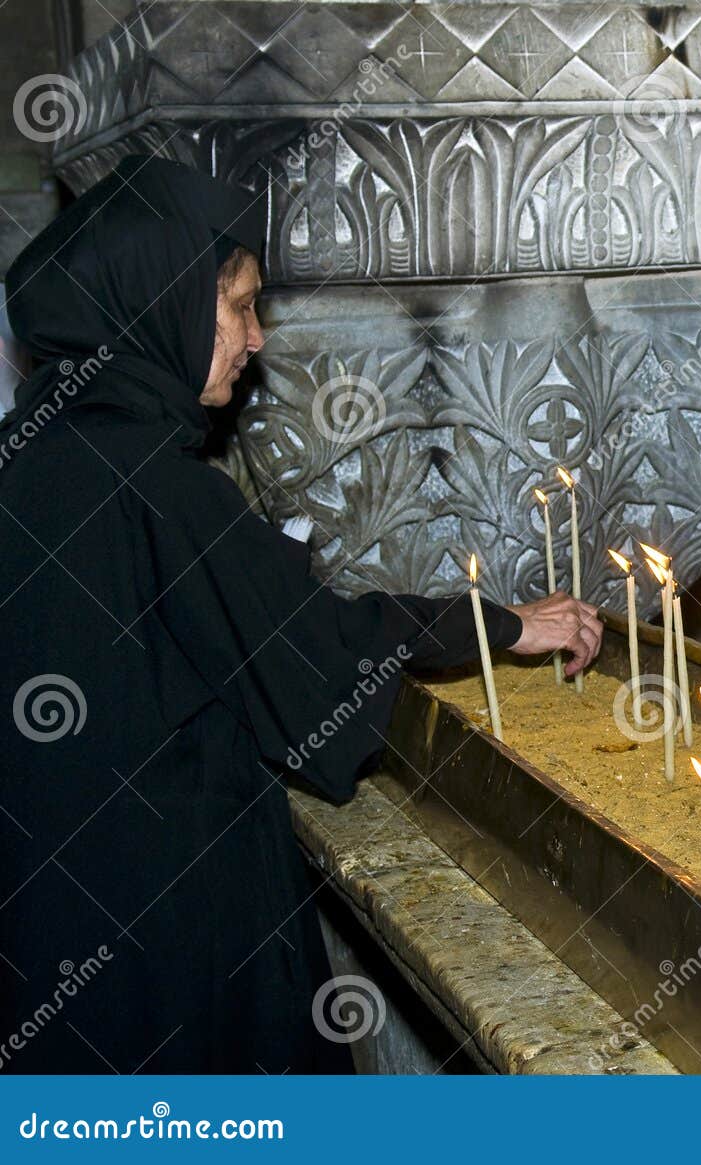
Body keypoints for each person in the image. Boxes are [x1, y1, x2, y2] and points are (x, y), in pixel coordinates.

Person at [0, 155, 601, 1073]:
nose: (256, 339)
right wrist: (501, 624)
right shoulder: (160, 489)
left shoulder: (28, 460)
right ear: (160, 303)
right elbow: (312, 655)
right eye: (239, 307)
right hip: (166, 943)